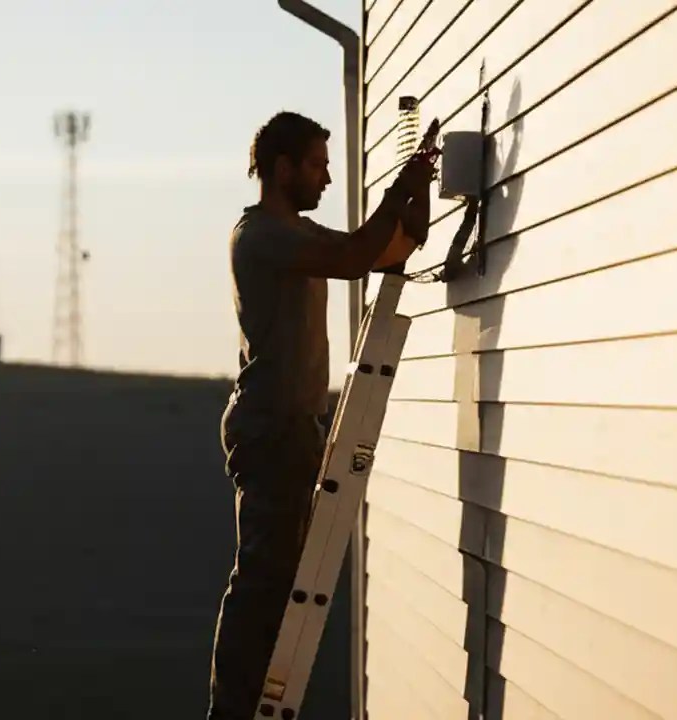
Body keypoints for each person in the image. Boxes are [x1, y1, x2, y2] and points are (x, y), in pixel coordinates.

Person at [207, 110, 435, 719]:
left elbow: (375, 250)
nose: (327, 179)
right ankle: (231, 712)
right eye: (317, 165)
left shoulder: (298, 236)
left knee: (277, 583)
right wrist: (399, 190)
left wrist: (413, 214)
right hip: (271, 428)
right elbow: (359, 255)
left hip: (289, 428)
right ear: (282, 169)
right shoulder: (263, 236)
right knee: (262, 580)